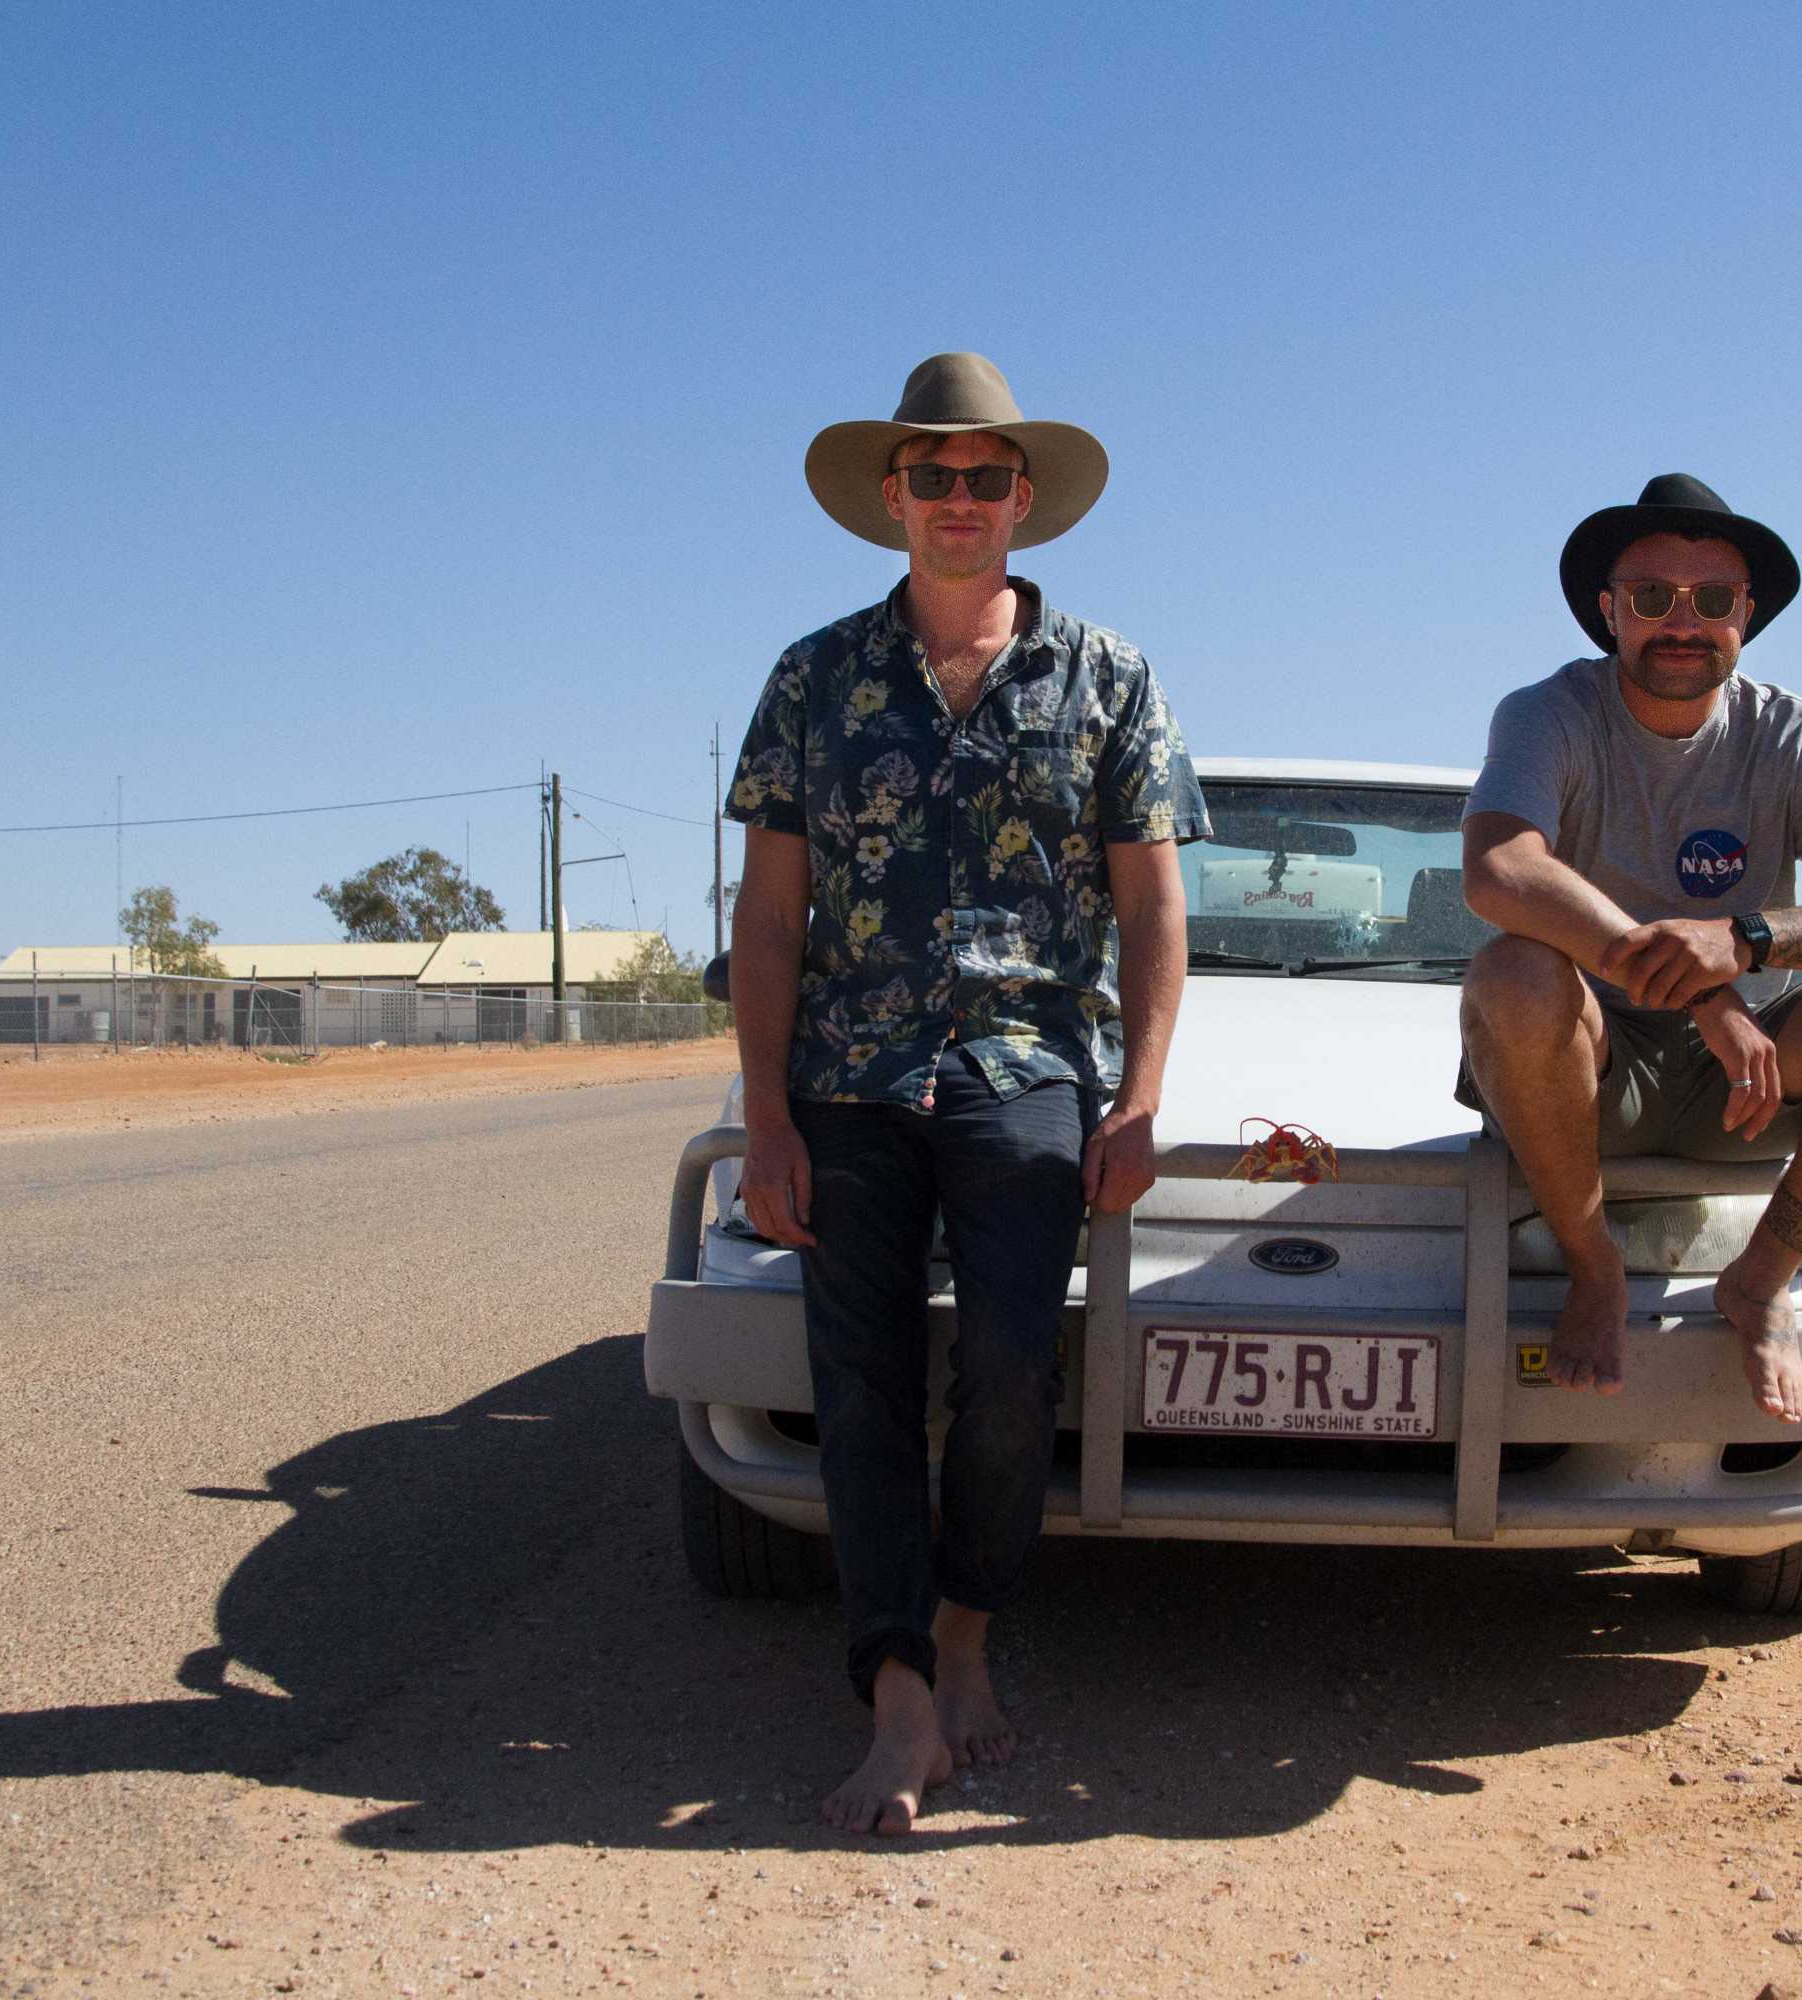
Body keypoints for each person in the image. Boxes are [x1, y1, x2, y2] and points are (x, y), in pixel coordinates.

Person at [721, 352, 1207, 1835]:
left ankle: (968, 1633)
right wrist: (764, 1116)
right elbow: (771, 916)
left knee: (1007, 1367)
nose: (959, 499)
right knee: (859, 1382)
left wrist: (1140, 1093)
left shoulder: (1108, 675)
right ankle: (897, 1691)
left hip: (1026, 1069)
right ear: (891, 496)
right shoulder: (813, 677)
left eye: (985, 477)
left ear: (1023, 499)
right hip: (849, 1076)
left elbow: (1153, 907)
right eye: (932, 475)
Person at [1458, 474, 1802, 1424]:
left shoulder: (1793, 735)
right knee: (1514, 972)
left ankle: (1761, 1279)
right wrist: (1700, 989)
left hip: (1750, 1079)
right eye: (1652, 596)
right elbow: (1500, 869)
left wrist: (1748, 940)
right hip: (1585, 1070)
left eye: (1713, 598)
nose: (1682, 621)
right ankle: (1594, 1267)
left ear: (1746, 616)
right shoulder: (1548, 713)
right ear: (1609, 611)